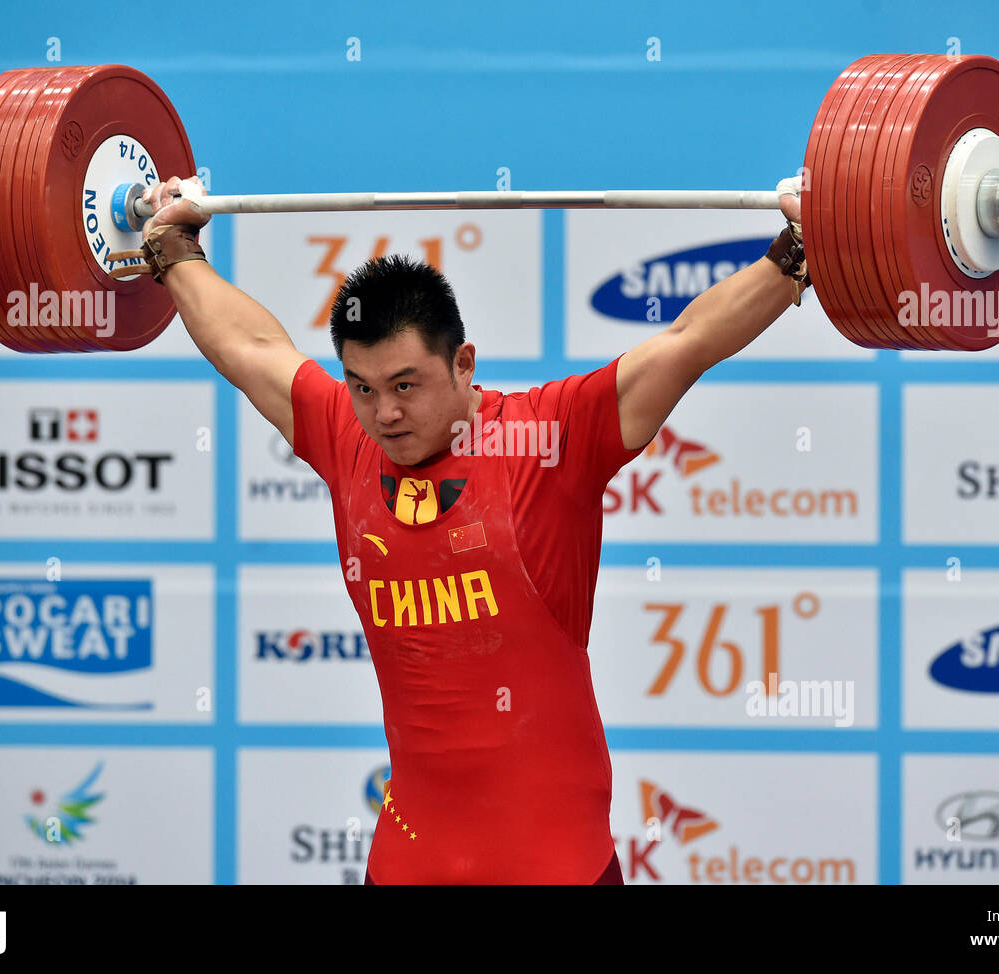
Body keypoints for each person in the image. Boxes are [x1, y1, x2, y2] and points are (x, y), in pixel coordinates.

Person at [127, 175, 808, 884]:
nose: (383, 412)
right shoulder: (344, 437)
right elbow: (252, 349)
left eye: (405, 385)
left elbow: (687, 341)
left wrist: (795, 252)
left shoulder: (551, 439)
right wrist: (175, 248)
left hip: (557, 867)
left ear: (464, 364)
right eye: (361, 386)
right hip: (409, 864)